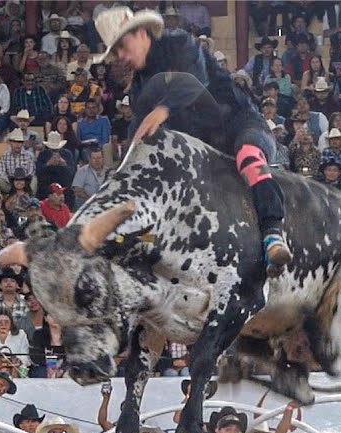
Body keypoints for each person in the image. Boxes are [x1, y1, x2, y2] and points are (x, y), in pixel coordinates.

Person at [95, 8, 291, 275]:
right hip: (202, 150)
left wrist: (164, 108)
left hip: (241, 124)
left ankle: (273, 232)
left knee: (248, 155)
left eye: (122, 46)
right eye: (116, 51)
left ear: (140, 33)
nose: (122, 56)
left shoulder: (179, 43)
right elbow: (138, 133)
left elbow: (196, 80)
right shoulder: (141, 87)